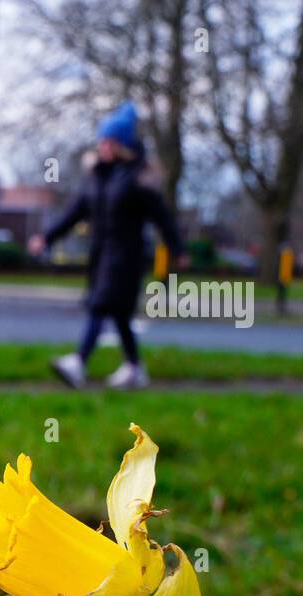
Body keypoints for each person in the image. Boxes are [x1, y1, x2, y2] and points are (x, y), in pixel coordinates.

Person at [28, 102, 186, 389]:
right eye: (101, 140)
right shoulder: (97, 177)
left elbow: (162, 217)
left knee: (100, 306)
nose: (102, 145)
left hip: (126, 256)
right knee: (120, 315)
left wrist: (178, 249)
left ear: (121, 144)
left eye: (108, 140)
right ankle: (135, 369)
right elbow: (73, 214)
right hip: (101, 255)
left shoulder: (138, 179)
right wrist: (46, 237)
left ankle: (78, 363)